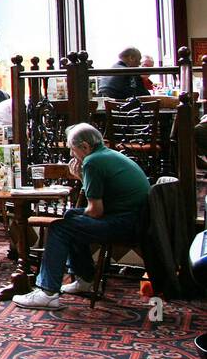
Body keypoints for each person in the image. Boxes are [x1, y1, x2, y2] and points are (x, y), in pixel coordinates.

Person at [14, 123, 150, 309]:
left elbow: (95, 211)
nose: (71, 155)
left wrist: (83, 175)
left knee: (60, 228)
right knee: (70, 216)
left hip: (126, 224)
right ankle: (85, 278)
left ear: (85, 147)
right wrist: (81, 177)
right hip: (136, 219)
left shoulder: (93, 161)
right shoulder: (106, 155)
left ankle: (48, 293)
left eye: (72, 149)